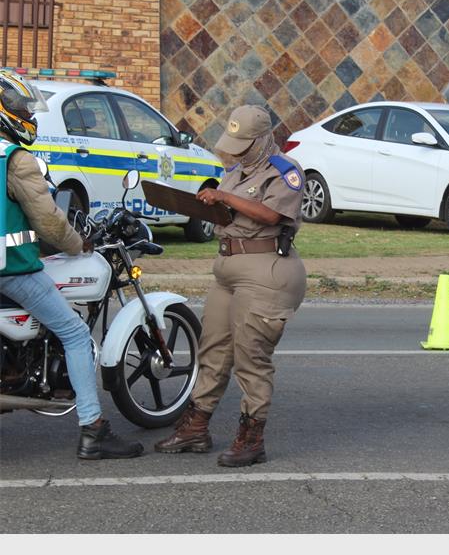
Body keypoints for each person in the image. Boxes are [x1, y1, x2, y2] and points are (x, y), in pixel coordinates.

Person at [0, 69, 143, 460]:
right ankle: (93, 430)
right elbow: (47, 220)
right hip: (9, 272)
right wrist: (77, 243)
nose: (28, 116)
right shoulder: (14, 159)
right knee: (76, 334)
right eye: (21, 108)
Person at [155, 104, 306, 467]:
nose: (234, 151)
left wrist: (223, 197)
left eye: (243, 144)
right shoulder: (237, 172)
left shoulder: (285, 171)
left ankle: (252, 439)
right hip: (227, 270)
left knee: (250, 358)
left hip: (266, 271)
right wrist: (205, 200)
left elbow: (271, 214)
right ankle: (196, 427)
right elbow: (229, 213)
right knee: (214, 351)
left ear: (262, 140)